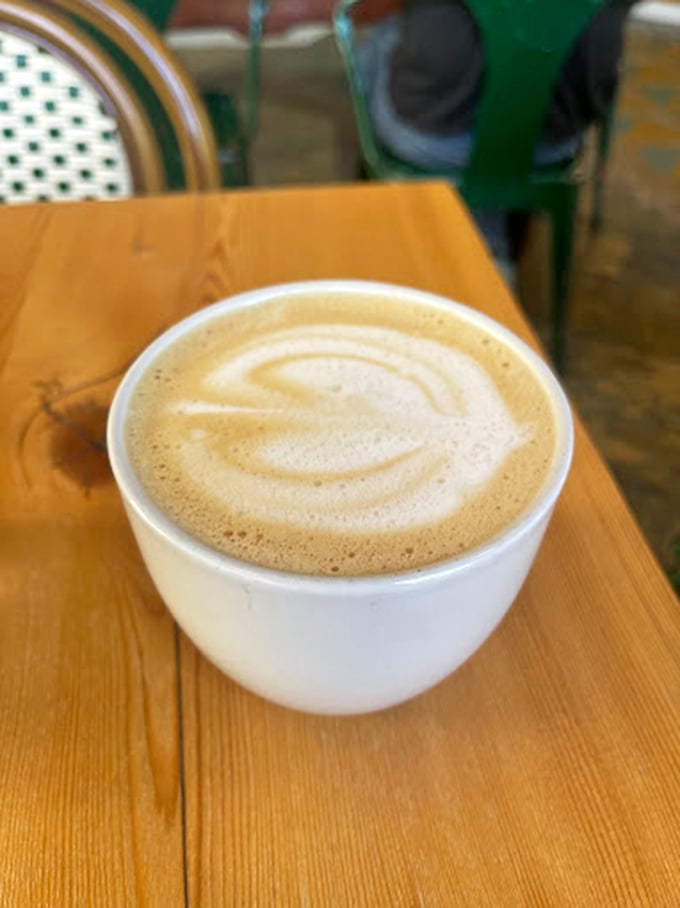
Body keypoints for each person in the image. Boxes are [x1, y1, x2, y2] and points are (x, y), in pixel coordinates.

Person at [357, 0, 634, 263]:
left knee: (380, 39)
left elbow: (361, 10)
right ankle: (492, 229)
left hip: (435, 140)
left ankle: (367, 211)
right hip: (557, 137)